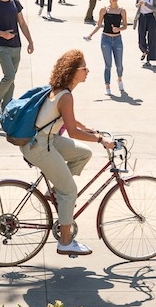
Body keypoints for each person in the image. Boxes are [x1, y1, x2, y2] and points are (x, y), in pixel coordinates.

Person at [18, 49, 114, 256]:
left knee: (83, 153)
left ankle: (53, 192)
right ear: (73, 72)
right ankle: (65, 241)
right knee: (70, 191)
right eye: (84, 68)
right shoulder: (66, 96)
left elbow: (68, 120)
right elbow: (72, 131)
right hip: (41, 146)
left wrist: (90, 130)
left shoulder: (61, 91)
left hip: (45, 140)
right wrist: (100, 139)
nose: (88, 71)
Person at [84, 0, 129, 95]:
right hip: (106, 40)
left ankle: (119, 79)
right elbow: (99, 25)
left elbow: (125, 26)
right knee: (108, 65)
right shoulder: (104, 10)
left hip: (117, 39)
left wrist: (119, 29)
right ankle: (107, 85)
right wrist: (90, 35)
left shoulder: (122, 10)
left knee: (119, 65)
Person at [135, 0, 156, 64]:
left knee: (152, 37)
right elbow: (136, 5)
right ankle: (144, 50)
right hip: (142, 17)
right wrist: (139, 4)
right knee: (141, 37)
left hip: (151, 17)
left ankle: (150, 57)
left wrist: (147, 4)